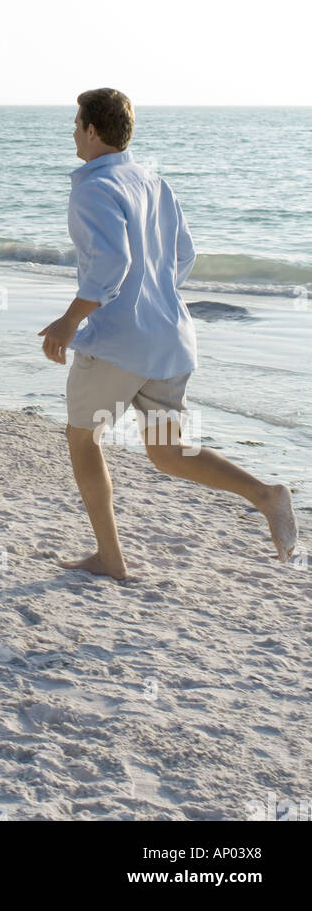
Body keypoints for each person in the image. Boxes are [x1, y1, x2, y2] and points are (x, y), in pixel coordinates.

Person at [38, 87, 299, 580]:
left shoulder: (94, 187)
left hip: (120, 343)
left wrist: (71, 319)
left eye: (77, 123)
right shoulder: (153, 181)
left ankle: (111, 558)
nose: (73, 131)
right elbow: (183, 258)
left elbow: (113, 263)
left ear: (93, 130)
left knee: (82, 438)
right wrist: (154, 298)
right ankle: (266, 495)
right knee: (168, 452)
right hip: (172, 338)